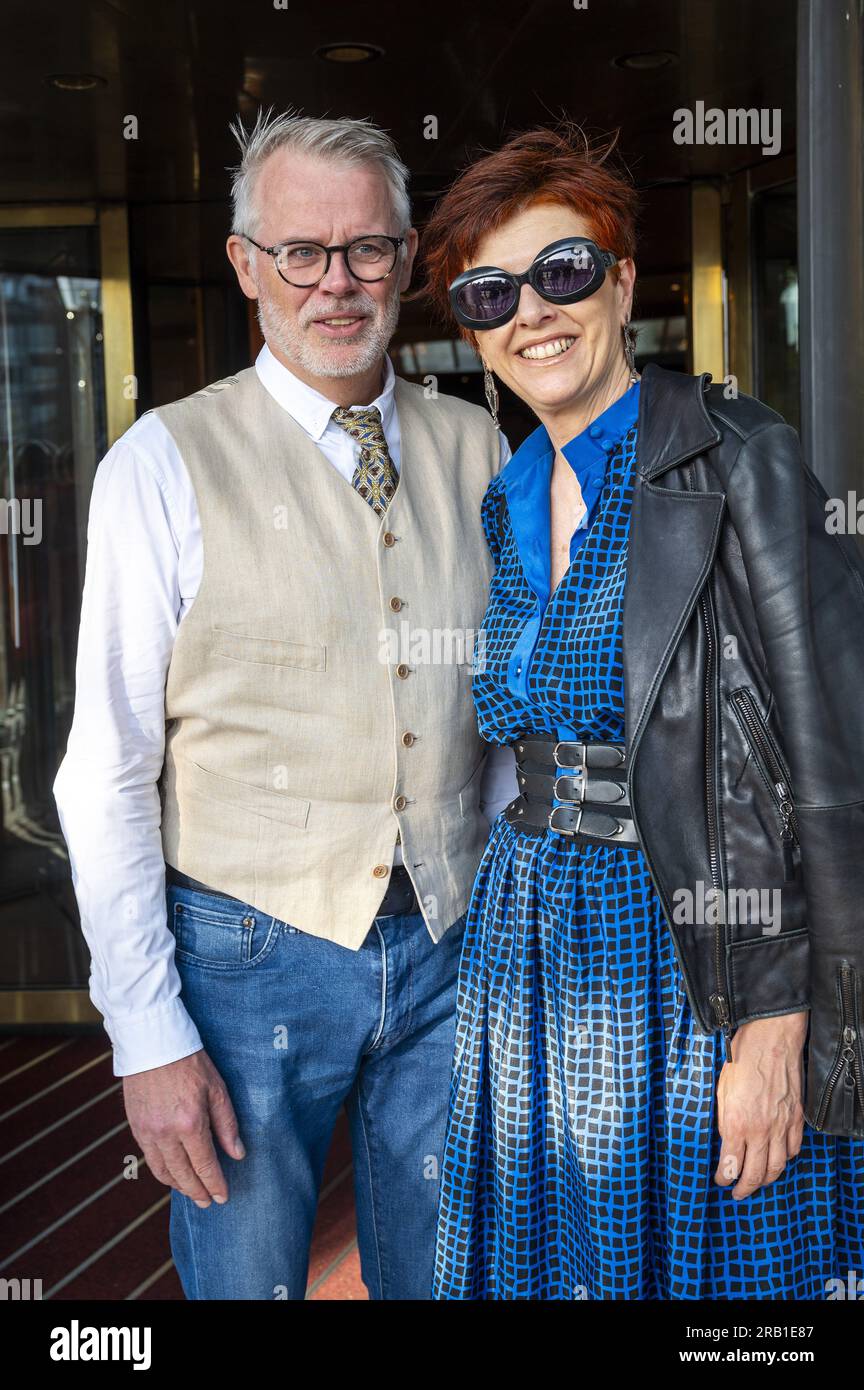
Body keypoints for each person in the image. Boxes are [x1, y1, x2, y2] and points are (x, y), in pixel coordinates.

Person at [52, 108, 517, 1301]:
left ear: (411, 261)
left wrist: (510, 920)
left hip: (454, 944)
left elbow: (507, 720)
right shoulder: (162, 462)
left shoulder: (481, 445)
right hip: (245, 952)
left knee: (448, 1275)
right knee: (251, 1282)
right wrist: (146, 1033)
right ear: (246, 265)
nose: (336, 282)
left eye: (367, 248)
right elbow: (103, 768)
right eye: (300, 252)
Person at [419, 122, 864, 1299]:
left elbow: (835, 762)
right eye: (490, 291)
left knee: (717, 1279)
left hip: (695, 957)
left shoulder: (736, 461)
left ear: (622, 284)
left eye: (562, 271)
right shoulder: (502, 498)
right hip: (527, 955)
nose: (532, 311)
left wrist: (784, 1029)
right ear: (470, 328)